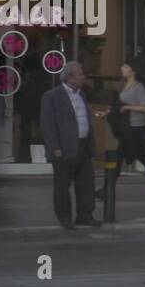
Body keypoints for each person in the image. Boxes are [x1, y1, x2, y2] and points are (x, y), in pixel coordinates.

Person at [39, 61, 101, 229]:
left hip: (83, 147)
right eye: (80, 74)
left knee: (86, 184)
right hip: (63, 149)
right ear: (69, 77)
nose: (84, 77)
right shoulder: (52, 96)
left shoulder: (82, 94)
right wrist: (54, 148)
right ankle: (64, 218)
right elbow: (47, 125)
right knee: (62, 186)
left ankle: (85, 216)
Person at [98, 62, 145, 199]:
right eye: (122, 66)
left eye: (126, 67)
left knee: (118, 160)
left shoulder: (138, 87)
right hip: (128, 130)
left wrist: (128, 108)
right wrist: (107, 112)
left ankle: (107, 190)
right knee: (144, 160)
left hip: (136, 130)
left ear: (133, 71)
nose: (122, 69)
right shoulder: (124, 86)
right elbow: (120, 105)